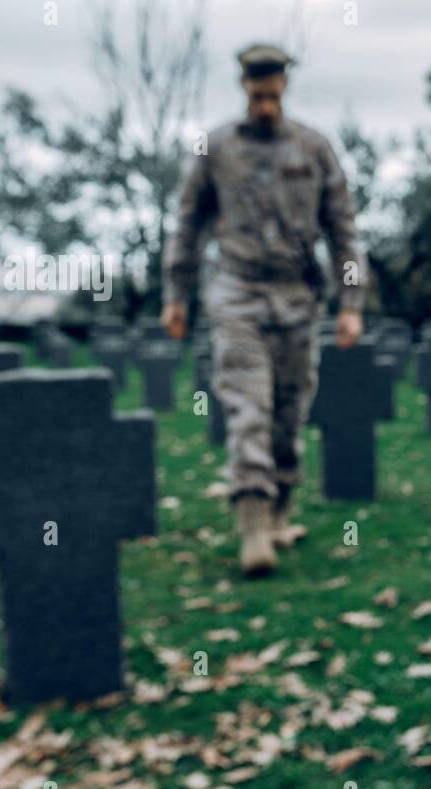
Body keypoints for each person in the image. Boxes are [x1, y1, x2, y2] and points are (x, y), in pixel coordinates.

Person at [162, 42, 367, 576]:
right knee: (248, 404)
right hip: (236, 292)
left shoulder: (314, 148)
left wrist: (351, 302)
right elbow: (187, 224)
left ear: (284, 88)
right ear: (244, 88)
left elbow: (343, 227)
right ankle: (252, 522)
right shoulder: (216, 149)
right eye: (258, 96)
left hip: (298, 295)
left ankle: (280, 512)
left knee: (289, 407)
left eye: (273, 96)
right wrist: (175, 294)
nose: (266, 106)